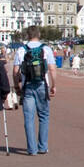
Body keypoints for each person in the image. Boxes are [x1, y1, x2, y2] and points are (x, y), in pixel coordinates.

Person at [13, 25, 56, 155]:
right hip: (42, 84)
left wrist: (17, 86)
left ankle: (32, 149)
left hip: (27, 86)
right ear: (39, 34)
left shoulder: (21, 50)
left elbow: (15, 71)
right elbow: (52, 69)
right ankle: (42, 146)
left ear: (27, 35)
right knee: (43, 116)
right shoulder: (46, 49)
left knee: (29, 118)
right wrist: (53, 85)